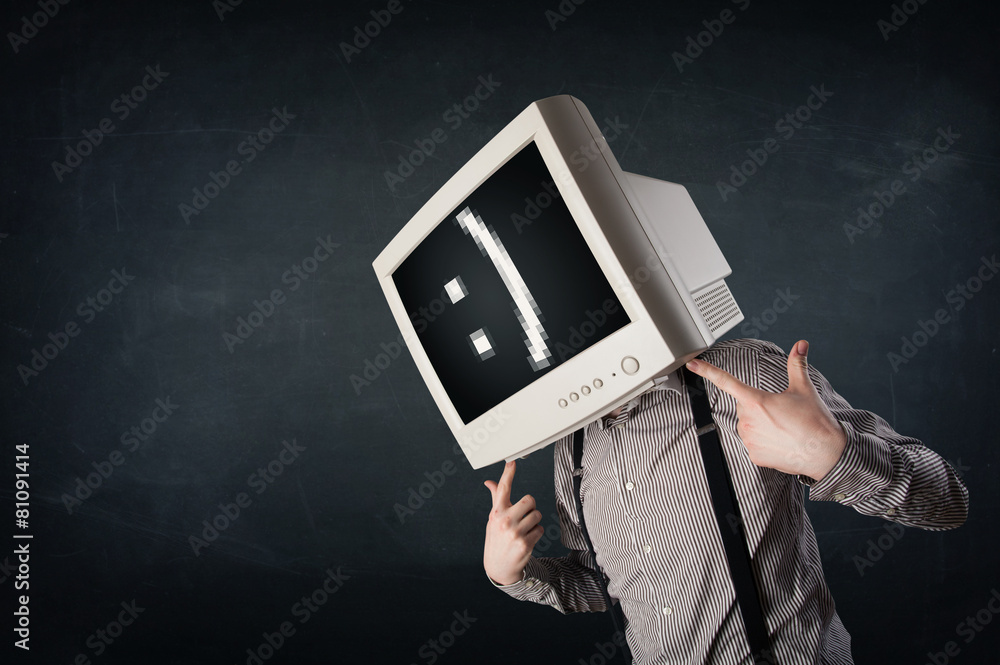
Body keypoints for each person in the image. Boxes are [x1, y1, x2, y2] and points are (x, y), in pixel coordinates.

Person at [482, 338, 969, 664]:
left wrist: (830, 455)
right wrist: (513, 575)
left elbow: (947, 500)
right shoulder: (572, 446)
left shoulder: (743, 372)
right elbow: (605, 581)